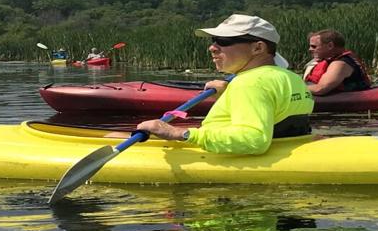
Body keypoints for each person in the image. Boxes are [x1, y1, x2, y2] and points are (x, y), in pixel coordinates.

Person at [125, 14, 313, 154]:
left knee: (118, 138)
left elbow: (254, 140)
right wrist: (228, 95)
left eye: (224, 41)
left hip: (228, 156)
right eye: (214, 41)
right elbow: (275, 114)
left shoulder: (249, 84)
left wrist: (178, 133)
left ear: (258, 47)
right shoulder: (290, 76)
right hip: (286, 146)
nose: (212, 47)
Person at [302, 29, 372, 96]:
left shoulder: (340, 64)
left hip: (349, 98)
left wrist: (296, 88)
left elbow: (320, 89)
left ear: (330, 46)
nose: (310, 49)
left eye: (314, 46)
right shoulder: (327, 60)